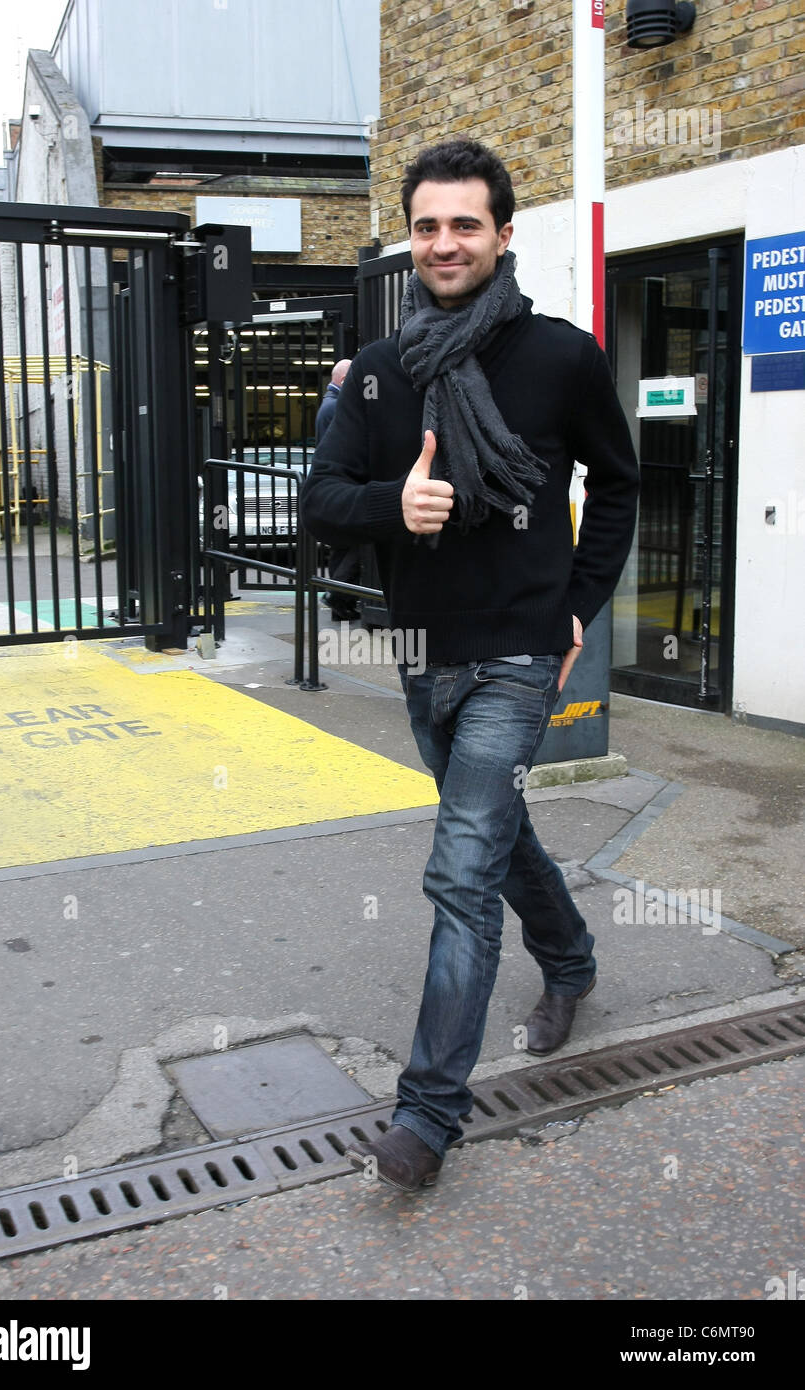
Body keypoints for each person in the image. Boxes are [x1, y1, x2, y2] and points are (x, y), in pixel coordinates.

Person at [299, 139, 640, 1193]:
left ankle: (427, 1113)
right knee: (492, 831)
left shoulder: (560, 357)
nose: (443, 243)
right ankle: (572, 958)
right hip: (423, 653)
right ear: (411, 238)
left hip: (519, 653)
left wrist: (577, 604)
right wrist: (391, 510)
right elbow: (321, 499)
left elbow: (621, 484)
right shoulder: (379, 371)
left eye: (463, 224)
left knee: (458, 871)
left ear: (501, 234)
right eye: (426, 225)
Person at [314, 359, 361, 621]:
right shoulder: (337, 407)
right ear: (344, 381)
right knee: (356, 544)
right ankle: (337, 595)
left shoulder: (327, 405)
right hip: (344, 483)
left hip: (335, 485)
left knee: (342, 547)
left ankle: (340, 602)